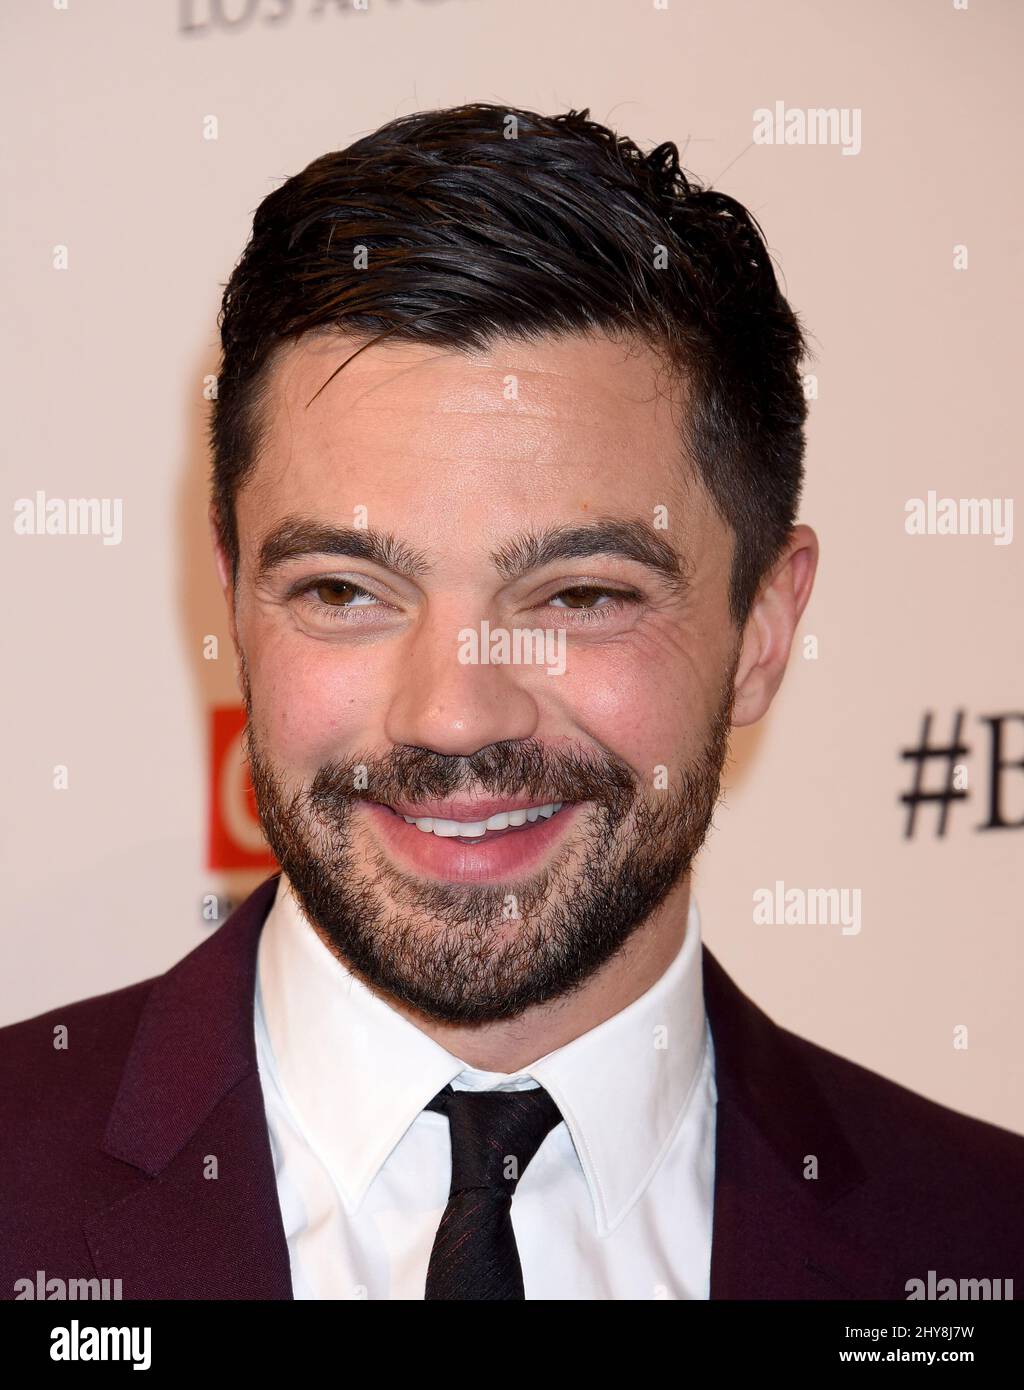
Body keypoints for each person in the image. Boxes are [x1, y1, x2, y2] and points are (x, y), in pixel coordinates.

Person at [3, 104, 1022, 1302]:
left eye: (580, 594)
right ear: (233, 597)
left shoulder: (980, 1242)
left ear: (762, 627)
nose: (454, 714)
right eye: (344, 588)